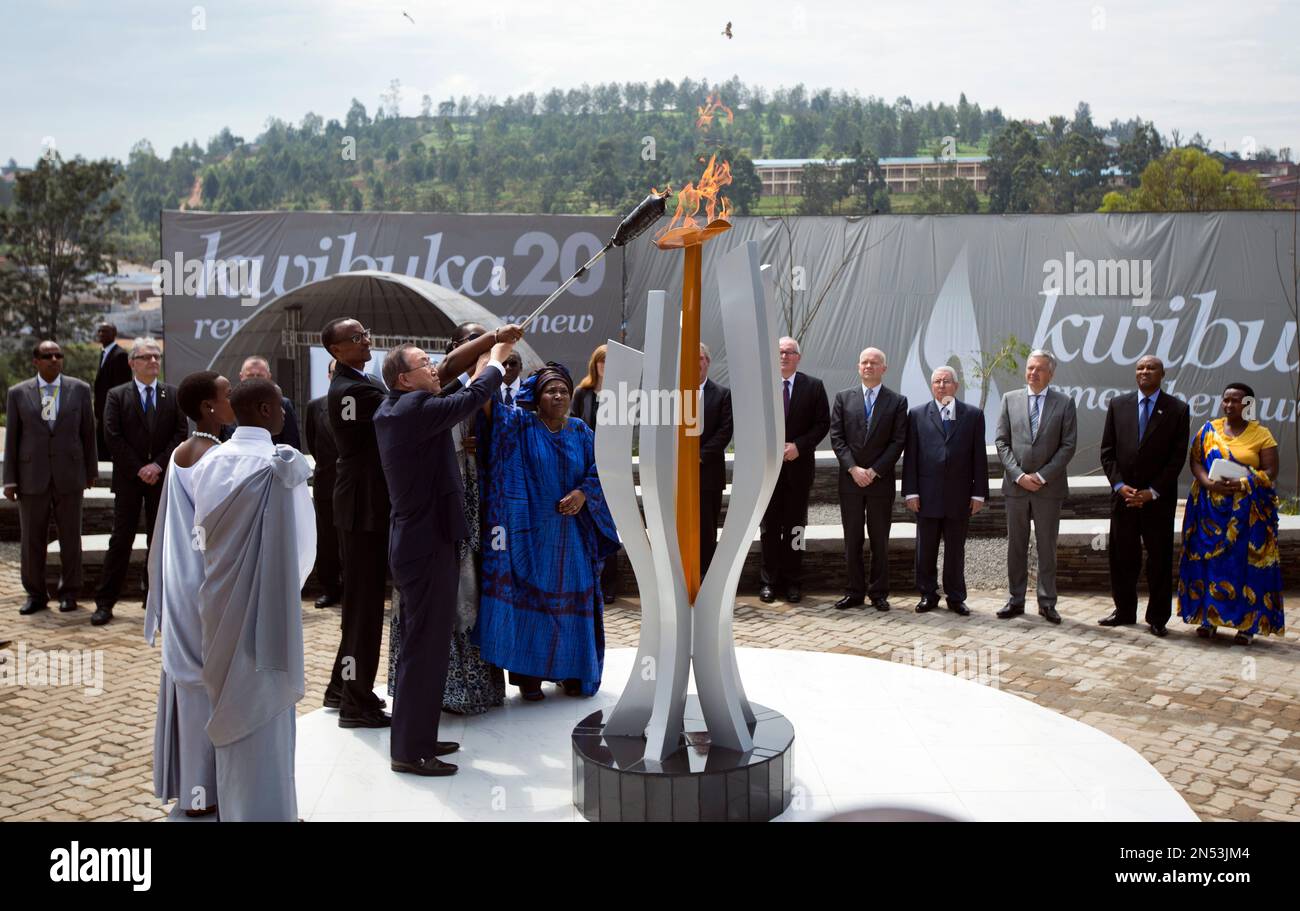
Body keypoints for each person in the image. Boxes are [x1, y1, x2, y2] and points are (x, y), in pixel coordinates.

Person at [375, 326, 520, 777]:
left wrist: (493, 336)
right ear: (403, 378)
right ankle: (409, 752)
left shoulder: (406, 405)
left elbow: (453, 368)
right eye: (423, 365)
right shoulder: (414, 410)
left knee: (432, 646)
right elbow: (470, 393)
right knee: (424, 647)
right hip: (425, 545)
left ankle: (417, 735)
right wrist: (497, 358)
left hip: (425, 541)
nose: (433, 368)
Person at [190, 378, 314, 822]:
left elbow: (202, 539)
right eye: (281, 405)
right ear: (264, 410)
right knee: (267, 707)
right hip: (270, 606)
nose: (285, 413)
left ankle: (237, 810)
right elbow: (304, 548)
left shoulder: (211, 462)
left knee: (227, 697)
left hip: (218, 600)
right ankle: (275, 812)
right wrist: (278, 594)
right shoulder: (285, 465)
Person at [475, 363, 620, 701]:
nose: (559, 396)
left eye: (564, 391)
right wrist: (493, 355)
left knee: (577, 600)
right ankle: (530, 677)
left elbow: (603, 468)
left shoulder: (582, 431)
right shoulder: (520, 425)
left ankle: (572, 673)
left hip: (573, 536)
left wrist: (584, 493)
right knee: (531, 602)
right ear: (536, 398)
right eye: (550, 391)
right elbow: (486, 406)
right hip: (529, 533)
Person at [144, 371, 235, 818]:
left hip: (182, 578)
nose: (232, 398)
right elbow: (219, 528)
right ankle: (205, 791)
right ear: (208, 408)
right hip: (202, 584)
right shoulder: (211, 455)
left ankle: (196, 785)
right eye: (226, 394)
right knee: (205, 683)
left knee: (194, 683)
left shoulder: (185, 449)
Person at [320, 319, 394, 727]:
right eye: (355, 338)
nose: (366, 339)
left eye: (366, 333)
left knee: (360, 606)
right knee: (363, 609)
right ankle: (356, 702)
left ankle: (340, 688)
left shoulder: (357, 383)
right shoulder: (354, 390)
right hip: (362, 508)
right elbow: (408, 408)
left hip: (363, 505)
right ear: (336, 351)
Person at [1177, 383, 1284, 644]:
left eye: (1236, 401)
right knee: (1209, 564)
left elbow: (1271, 472)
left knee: (1243, 567)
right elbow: (1196, 461)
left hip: (1246, 515)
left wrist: (1245, 482)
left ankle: (1246, 625)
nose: (1229, 405)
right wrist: (1207, 482)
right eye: (1226, 400)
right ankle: (1208, 619)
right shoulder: (1208, 430)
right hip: (1209, 511)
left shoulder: (1262, 435)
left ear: (1248, 405)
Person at [95, 338, 187, 626]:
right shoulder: (117, 395)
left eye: (157, 357)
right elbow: (112, 436)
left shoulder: (172, 395)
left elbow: (179, 433)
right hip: (129, 481)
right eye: (146, 357)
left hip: (160, 480)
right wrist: (140, 469)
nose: (153, 362)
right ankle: (106, 602)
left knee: (158, 543)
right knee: (121, 540)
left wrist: (157, 465)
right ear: (132, 362)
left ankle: (155, 601)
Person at [1098, 355, 1191, 638]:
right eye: (1140, 368)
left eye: (1151, 368)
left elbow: (1177, 458)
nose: (1144, 372)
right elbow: (1107, 452)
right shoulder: (1118, 405)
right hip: (1124, 497)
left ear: (1163, 373)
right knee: (1122, 557)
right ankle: (1124, 611)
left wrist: (1152, 492)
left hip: (1157, 501)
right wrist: (1118, 485)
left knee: (1159, 560)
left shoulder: (1177, 409)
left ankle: (1158, 617)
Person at [5, 341, 97, 616]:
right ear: (36, 361)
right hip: (31, 477)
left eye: (58, 355)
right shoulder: (18, 393)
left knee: (71, 537)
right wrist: (9, 479)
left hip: (69, 475)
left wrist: (90, 471)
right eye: (47, 356)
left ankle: (69, 592)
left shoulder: (79, 390)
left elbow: (88, 434)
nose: (54, 359)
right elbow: (12, 439)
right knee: (32, 539)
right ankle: (35, 594)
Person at [994, 349, 1078, 625]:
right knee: (1016, 546)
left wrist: (1041, 477)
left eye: (1039, 369)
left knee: (1046, 547)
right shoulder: (1009, 399)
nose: (1033, 373)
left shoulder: (1064, 403)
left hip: (1048, 489)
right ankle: (1015, 599)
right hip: (1016, 488)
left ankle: (1047, 601)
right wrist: (1019, 475)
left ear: (1051, 373)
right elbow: (1002, 442)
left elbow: (1068, 446)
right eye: (1030, 368)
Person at [902, 366, 989, 616]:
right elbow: (911, 457)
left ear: (956, 386)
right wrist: (911, 492)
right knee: (925, 550)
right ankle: (928, 594)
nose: (941, 385)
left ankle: (956, 597)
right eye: (937, 381)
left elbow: (978, 458)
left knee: (955, 551)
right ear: (932, 386)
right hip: (926, 495)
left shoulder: (973, 415)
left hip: (960, 496)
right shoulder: (917, 415)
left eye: (946, 381)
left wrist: (978, 493)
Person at [829, 347, 907, 611]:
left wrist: (873, 471)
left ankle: (879, 592)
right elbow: (837, 438)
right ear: (858, 366)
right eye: (864, 362)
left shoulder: (897, 401)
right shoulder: (843, 398)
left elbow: (898, 442)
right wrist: (853, 469)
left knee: (879, 539)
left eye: (874, 363)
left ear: (884, 368)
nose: (869, 366)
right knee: (852, 538)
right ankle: (854, 591)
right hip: (850, 481)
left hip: (880, 482)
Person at [759, 336, 830, 604]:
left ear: (798, 357)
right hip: (769, 472)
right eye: (780, 352)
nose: (785, 356)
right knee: (769, 529)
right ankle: (769, 582)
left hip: (799, 472)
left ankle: (792, 581)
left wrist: (800, 446)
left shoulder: (813, 386)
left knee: (796, 530)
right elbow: (752, 421)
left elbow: (823, 423)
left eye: (790, 352)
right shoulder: (763, 387)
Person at [571, 344, 622, 602]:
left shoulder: (621, 393)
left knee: (609, 525)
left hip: (612, 469)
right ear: (595, 364)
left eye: (609, 362)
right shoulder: (582, 392)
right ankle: (589, 581)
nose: (605, 366)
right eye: (602, 362)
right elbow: (573, 424)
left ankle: (610, 585)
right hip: (587, 468)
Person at [304, 360, 342, 608]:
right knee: (327, 540)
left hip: (356, 485)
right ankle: (330, 588)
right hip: (327, 484)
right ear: (328, 376)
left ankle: (353, 588)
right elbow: (312, 441)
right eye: (335, 371)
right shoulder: (315, 406)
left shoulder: (363, 403)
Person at [698, 343, 734, 575]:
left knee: (707, 528)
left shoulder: (722, 394)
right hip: (678, 475)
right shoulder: (673, 395)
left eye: (700, 358)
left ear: (707, 362)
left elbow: (725, 431)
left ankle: (705, 575)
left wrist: (699, 456)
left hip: (708, 473)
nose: (695, 363)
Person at [219, 356, 301, 449]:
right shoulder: (229, 404)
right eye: (250, 375)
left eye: (260, 376)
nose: (255, 379)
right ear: (241, 376)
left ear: (269, 376)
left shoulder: (283, 404)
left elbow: (292, 444)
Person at [93, 323, 132, 461]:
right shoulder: (104, 353)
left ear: (114, 333)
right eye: (100, 331)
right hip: (102, 412)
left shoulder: (119, 355)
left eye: (105, 331)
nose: (101, 334)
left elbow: (121, 387)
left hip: (112, 412)